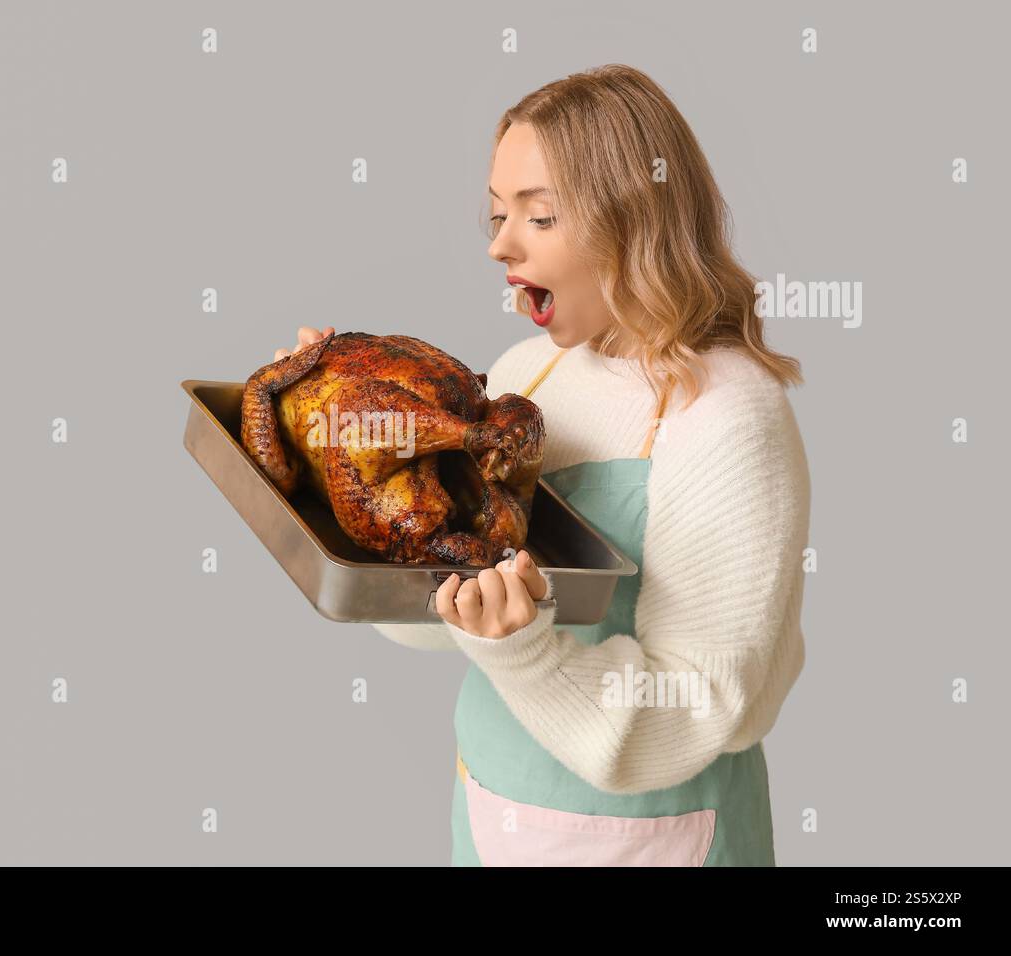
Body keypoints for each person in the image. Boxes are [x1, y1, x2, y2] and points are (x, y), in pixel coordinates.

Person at [273, 65, 809, 866]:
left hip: (655, 838)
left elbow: (696, 706)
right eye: (496, 215)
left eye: (541, 216)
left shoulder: (728, 416)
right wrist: (332, 453)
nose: (499, 245)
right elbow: (441, 612)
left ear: (635, 216)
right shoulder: (527, 373)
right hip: (494, 810)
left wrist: (525, 650)